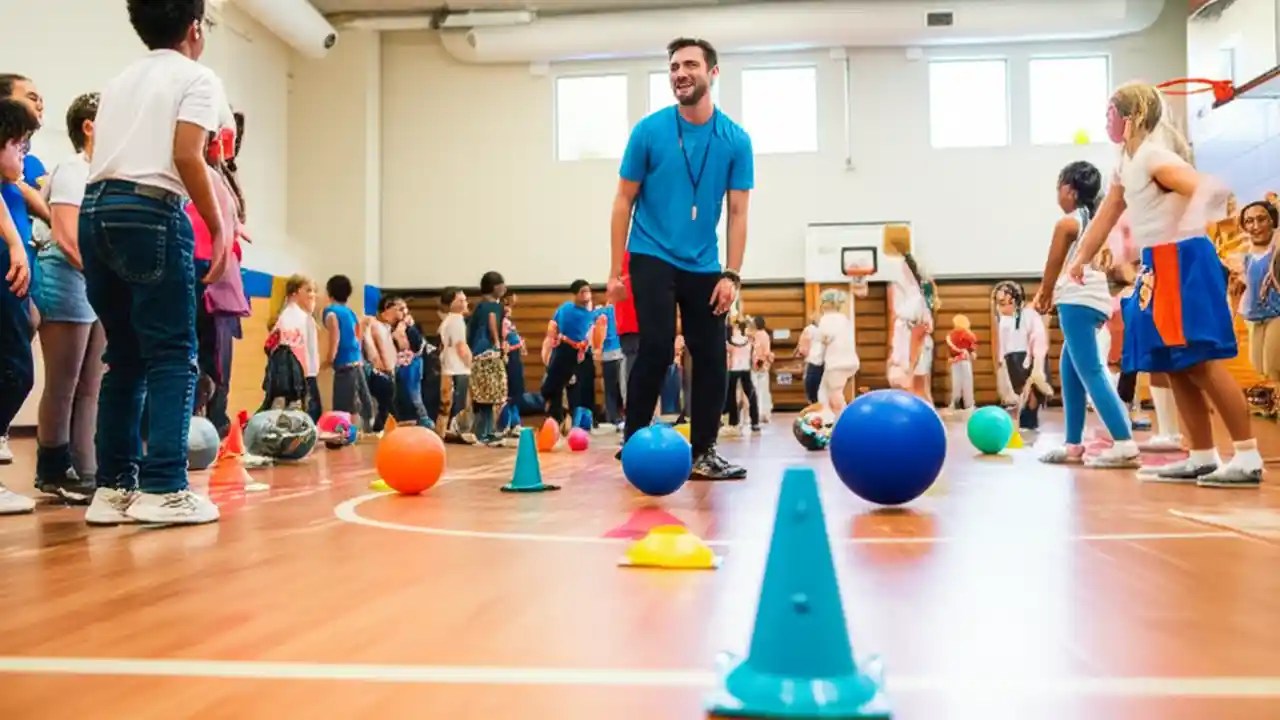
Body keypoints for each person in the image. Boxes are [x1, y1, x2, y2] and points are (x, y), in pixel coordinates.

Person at [1065, 81, 1260, 488]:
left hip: (1184, 259)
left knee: (1202, 363)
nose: (1105, 121)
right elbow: (1106, 216)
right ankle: (1202, 456)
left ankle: (1247, 455)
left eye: (1109, 113)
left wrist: (1190, 226)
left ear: (1131, 117)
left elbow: (1214, 190)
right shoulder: (1125, 161)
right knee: (1175, 365)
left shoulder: (1154, 156)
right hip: (1158, 263)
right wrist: (1081, 258)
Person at [79, 0, 227, 525]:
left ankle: (113, 490)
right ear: (194, 28)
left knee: (126, 356)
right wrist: (220, 224)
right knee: (172, 353)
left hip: (94, 212)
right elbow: (190, 154)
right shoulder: (199, 77)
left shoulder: (120, 79)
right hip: (150, 210)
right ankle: (165, 486)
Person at [606, 37, 753, 480]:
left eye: (690, 64)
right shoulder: (649, 131)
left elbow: (739, 211)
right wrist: (615, 271)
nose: (680, 73)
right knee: (655, 347)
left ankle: (704, 451)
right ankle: (634, 442)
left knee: (710, 354)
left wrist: (732, 273)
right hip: (649, 252)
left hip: (704, 262)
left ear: (712, 72)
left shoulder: (735, 139)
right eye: (673, 67)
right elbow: (622, 200)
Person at [1034, 160, 1141, 467]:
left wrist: (1044, 294)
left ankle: (1124, 442)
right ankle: (1072, 445)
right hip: (1095, 301)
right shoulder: (1095, 221)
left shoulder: (1067, 223)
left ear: (1068, 189)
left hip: (1077, 300)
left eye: (1059, 186)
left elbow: (1053, 264)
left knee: (1091, 371)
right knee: (1071, 371)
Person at [32, 93, 105, 502]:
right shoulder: (73, 170)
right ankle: (53, 467)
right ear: (88, 127)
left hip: (95, 281)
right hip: (66, 273)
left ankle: (87, 467)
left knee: (91, 384)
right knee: (64, 381)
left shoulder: (104, 172)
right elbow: (66, 235)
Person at [0, 99, 41, 515]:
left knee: (16, 372)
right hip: (4, 283)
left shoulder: (12, 188)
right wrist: (14, 245)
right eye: (18, 146)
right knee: (15, 374)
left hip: (12, 293)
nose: (23, 155)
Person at [323, 275, 373, 433]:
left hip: (344, 365)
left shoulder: (330, 312)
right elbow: (358, 337)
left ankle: (346, 435)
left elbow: (335, 337)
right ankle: (360, 432)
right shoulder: (350, 312)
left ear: (329, 292)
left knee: (343, 406)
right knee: (359, 403)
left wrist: (329, 359)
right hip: (357, 362)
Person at [945, 314, 977, 412]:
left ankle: (955, 402)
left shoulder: (950, 335)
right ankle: (969, 403)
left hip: (955, 361)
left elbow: (949, 349)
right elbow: (973, 348)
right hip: (965, 360)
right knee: (967, 382)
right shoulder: (969, 334)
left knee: (956, 382)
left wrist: (950, 358)